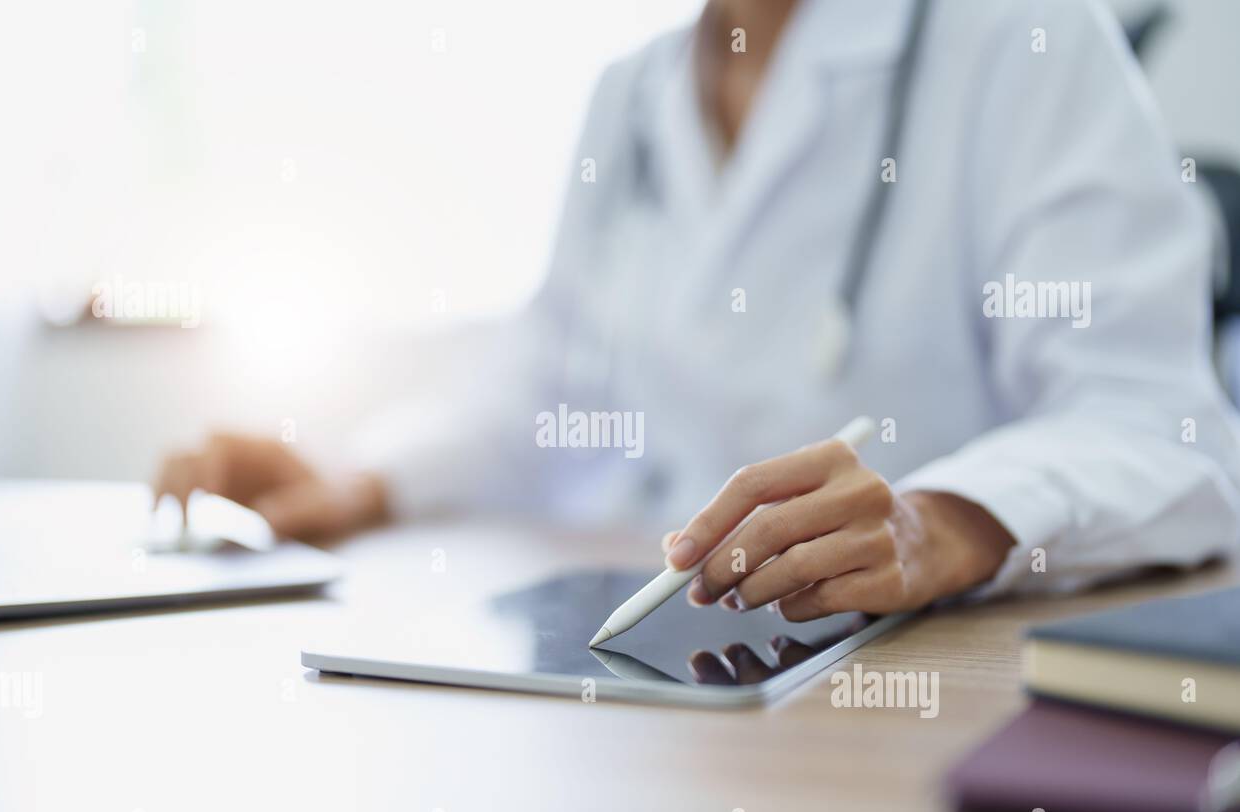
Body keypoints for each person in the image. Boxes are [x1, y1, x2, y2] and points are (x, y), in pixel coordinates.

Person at [155, 0, 1240, 624]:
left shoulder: (1026, 38)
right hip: (682, 655)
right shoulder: (630, 95)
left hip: (921, 667)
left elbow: (1161, 427)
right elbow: (549, 395)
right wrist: (357, 480)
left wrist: (938, 519)